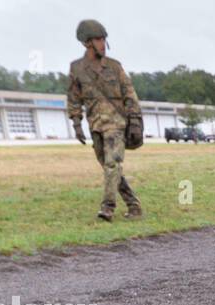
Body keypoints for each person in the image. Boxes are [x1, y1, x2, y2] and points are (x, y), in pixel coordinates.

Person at [66, 19, 144, 223]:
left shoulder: (114, 67)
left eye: (104, 40)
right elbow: (74, 97)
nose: (103, 44)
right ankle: (134, 204)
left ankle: (107, 207)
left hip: (117, 123)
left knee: (113, 164)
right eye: (98, 40)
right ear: (86, 43)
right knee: (110, 169)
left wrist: (134, 120)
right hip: (95, 125)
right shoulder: (77, 69)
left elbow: (130, 93)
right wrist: (76, 123)